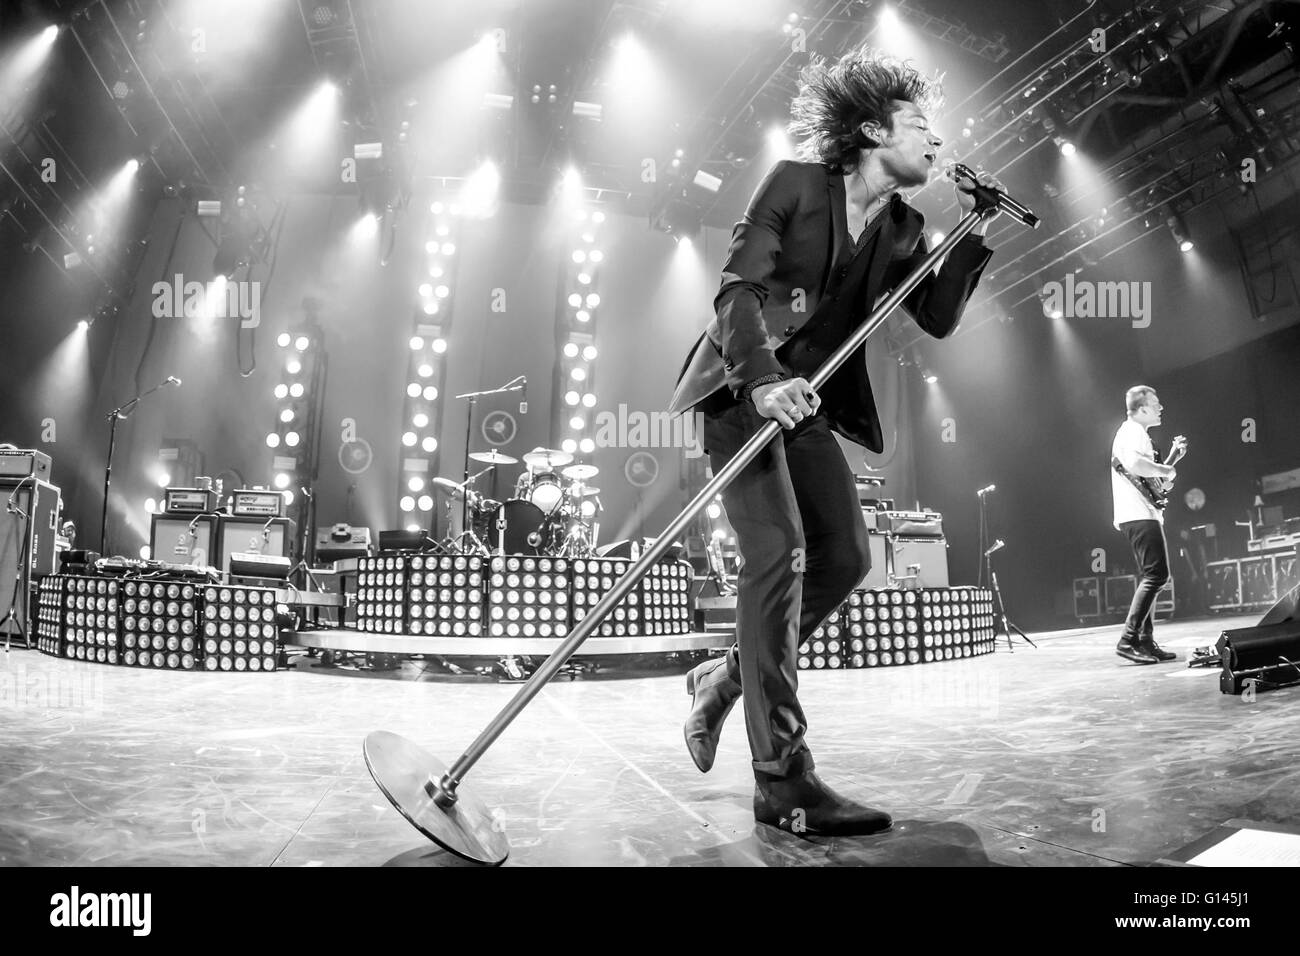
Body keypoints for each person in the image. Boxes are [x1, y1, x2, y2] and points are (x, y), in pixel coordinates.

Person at [667, 49, 1000, 836]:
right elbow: (738, 290)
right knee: (778, 552)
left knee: (846, 556)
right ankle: (783, 779)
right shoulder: (793, 184)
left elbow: (936, 315)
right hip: (743, 390)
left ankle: (723, 681)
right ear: (872, 130)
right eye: (919, 123)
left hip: (808, 402)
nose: (935, 138)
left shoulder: (904, 227)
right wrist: (759, 380)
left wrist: (975, 229)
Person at [1111, 386, 1184, 664]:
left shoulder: (1137, 434)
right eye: (1155, 404)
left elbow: (1157, 484)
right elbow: (1134, 464)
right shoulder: (1132, 431)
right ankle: (1127, 640)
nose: (1161, 408)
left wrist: (1172, 459)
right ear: (1141, 409)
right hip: (1137, 513)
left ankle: (1145, 640)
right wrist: (1166, 469)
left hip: (1141, 512)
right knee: (1157, 575)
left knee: (1152, 577)